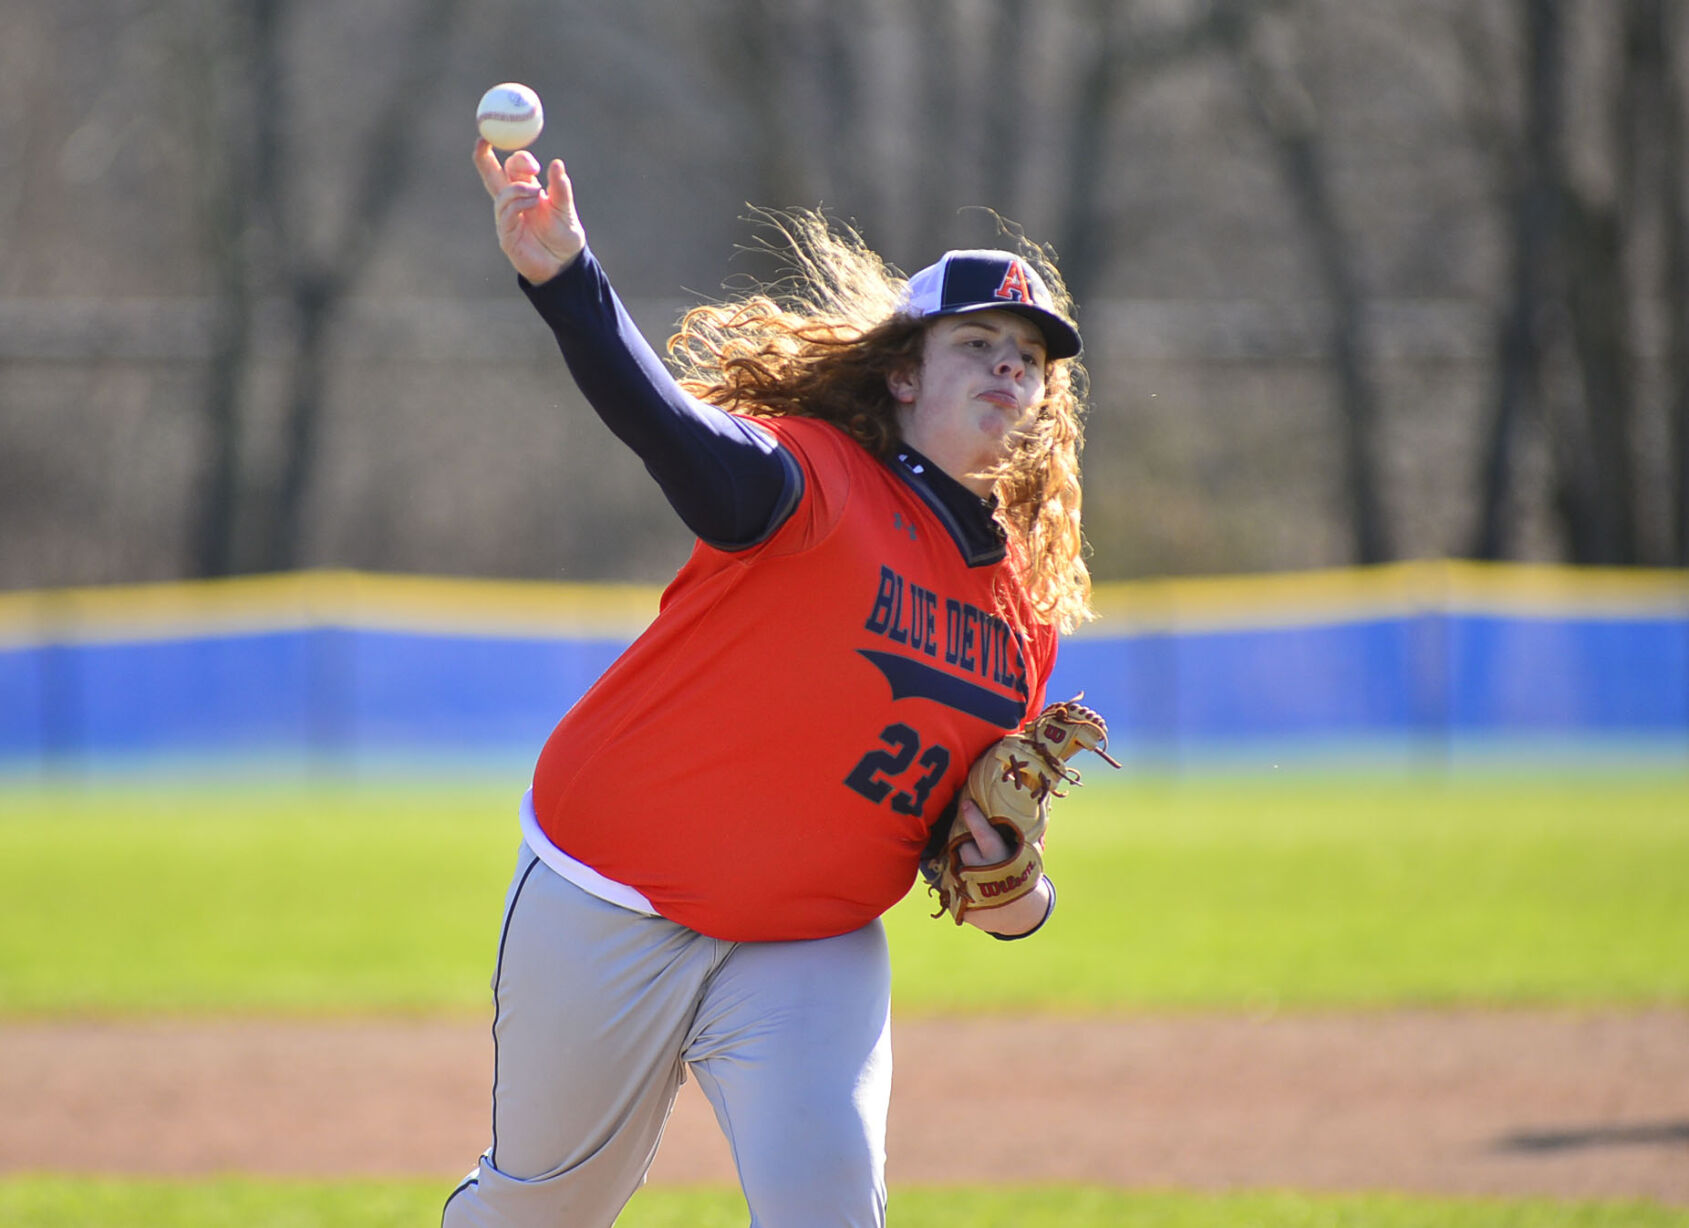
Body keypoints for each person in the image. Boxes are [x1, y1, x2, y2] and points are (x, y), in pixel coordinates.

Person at [444, 138, 1096, 1228]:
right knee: (542, 1213)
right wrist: (567, 279)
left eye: (1027, 358)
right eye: (977, 342)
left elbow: (973, 849)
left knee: (829, 1212)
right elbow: (666, 426)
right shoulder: (808, 484)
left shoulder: (1023, 619)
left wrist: (1021, 895)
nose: (1006, 368)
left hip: (811, 943)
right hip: (612, 893)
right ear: (904, 374)